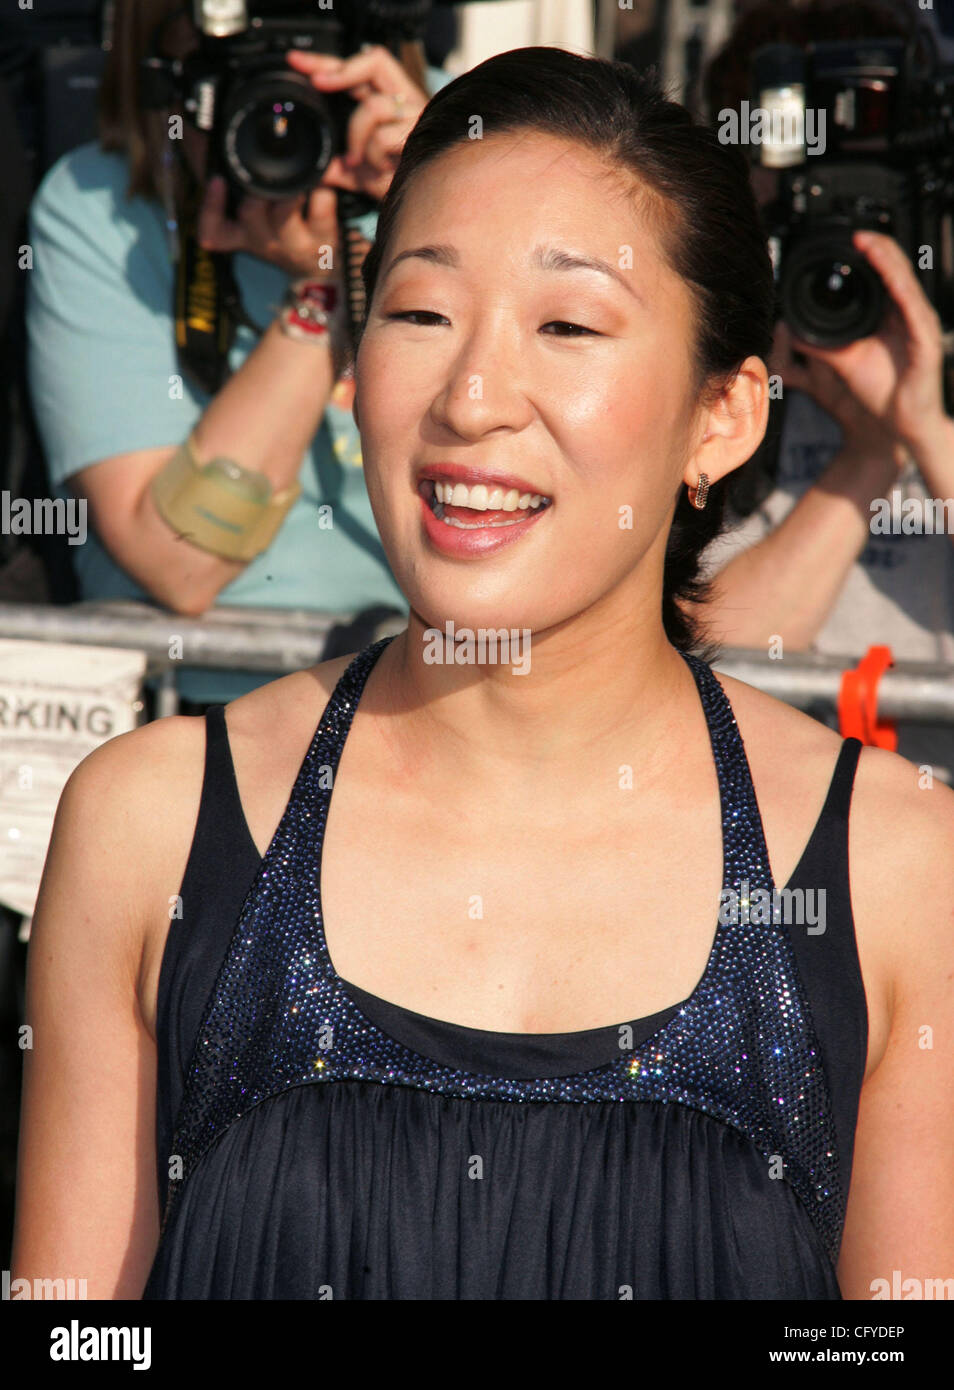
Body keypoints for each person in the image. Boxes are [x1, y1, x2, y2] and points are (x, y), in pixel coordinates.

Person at [11, 46, 954, 1300]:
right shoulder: (148, 823)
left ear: (722, 416)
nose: (472, 396)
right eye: (420, 313)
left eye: (568, 325)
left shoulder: (894, 871)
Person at [25, 0, 453, 708]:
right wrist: (319, 293)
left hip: (443, 702)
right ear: (164, 78)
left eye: (312, 84)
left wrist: (438, 195)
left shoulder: (447, 136)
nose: (277, 121)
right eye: (230, 84)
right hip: (210, 705)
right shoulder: (103, 208)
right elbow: (179, 562)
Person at [696, 0, 954, 782]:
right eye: (800, 210)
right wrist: (867, 461)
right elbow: (708, 658)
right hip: (779, 827)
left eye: (872, 205)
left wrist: (927, 428)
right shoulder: (714, 385)